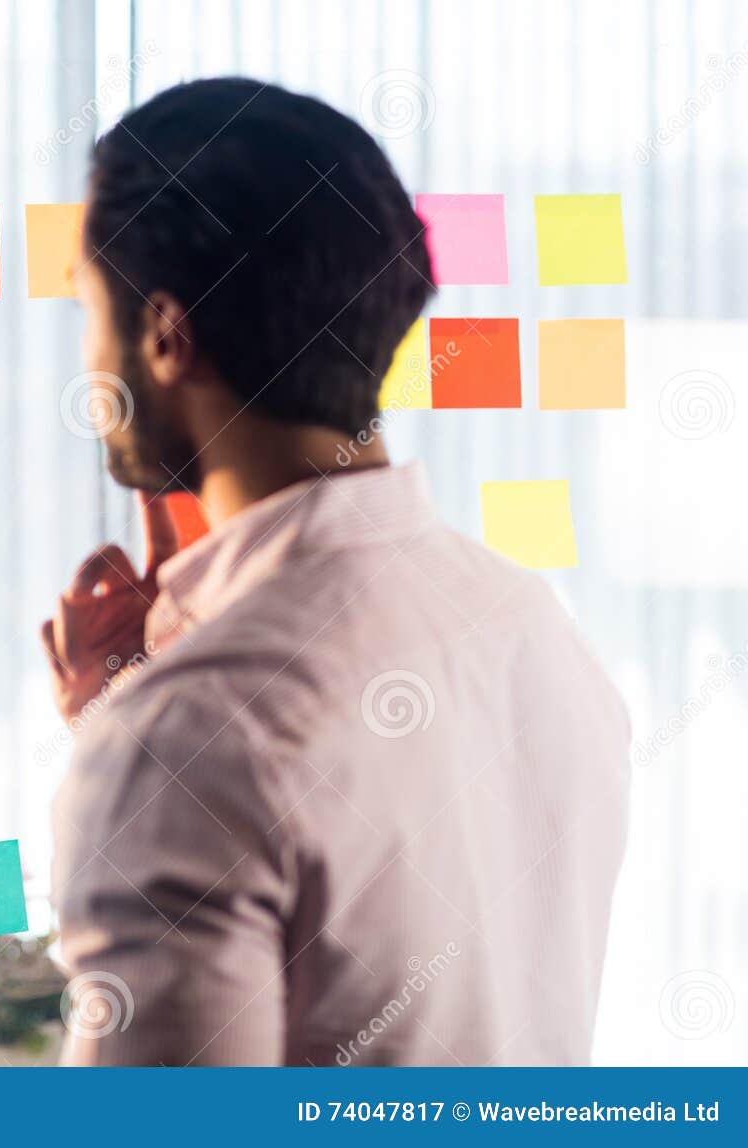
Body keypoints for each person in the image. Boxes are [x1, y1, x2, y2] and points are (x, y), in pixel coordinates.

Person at [43, 78, 630, 1065]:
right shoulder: (532, 624)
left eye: (83, 302)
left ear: (163, 333)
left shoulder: (193, 730)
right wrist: (133, 713)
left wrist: (141, 744)